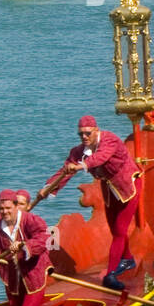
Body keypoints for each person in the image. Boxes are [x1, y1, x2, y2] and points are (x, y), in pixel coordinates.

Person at [37, 115, 139, 289]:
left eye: (87, 133)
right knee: (115, 228)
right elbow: (65, 171)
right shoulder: (78, 152)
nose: (84, 137)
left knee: (120, 230)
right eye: (81, 134)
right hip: (110, 188)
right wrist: (49, 188)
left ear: (96, 131)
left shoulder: (110, 140)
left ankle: (111, 275)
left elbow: (100, 158)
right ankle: (128, 259)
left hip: (129, 185)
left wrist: (79, 166)